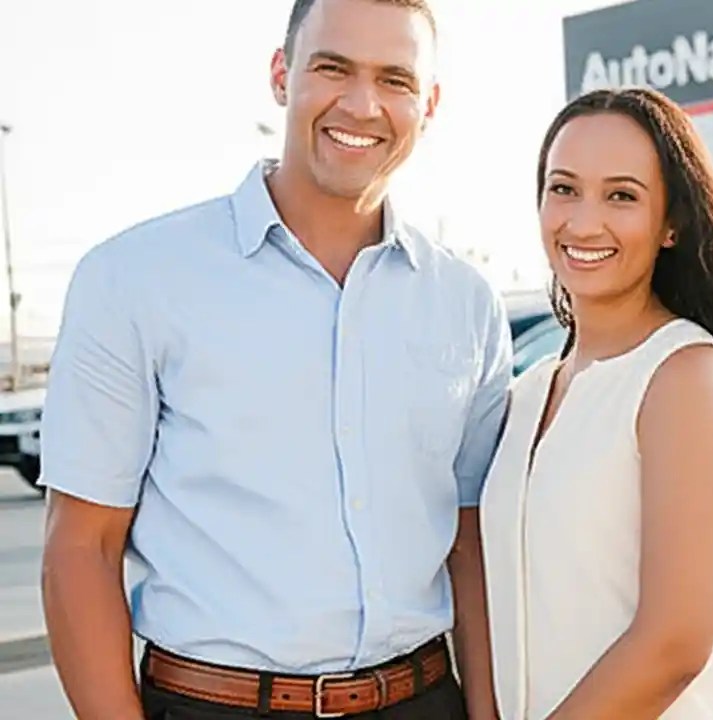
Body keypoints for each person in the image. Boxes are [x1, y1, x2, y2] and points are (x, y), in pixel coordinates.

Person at [38, 1, 508, 718]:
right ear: (281, 74)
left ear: (430, 103)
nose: (362, 104)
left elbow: (468, 545)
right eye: (332, 68)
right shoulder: (134, 277)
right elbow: (81, 550)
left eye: (395, 79)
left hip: (423, 700)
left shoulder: (468, 304)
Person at [479, 87, 713, 719]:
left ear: (671, 223)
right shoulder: (526, 396)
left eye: (621, 196)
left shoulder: (685, 376)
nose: (583, 221)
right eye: (564, 188)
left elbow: (674, 642)